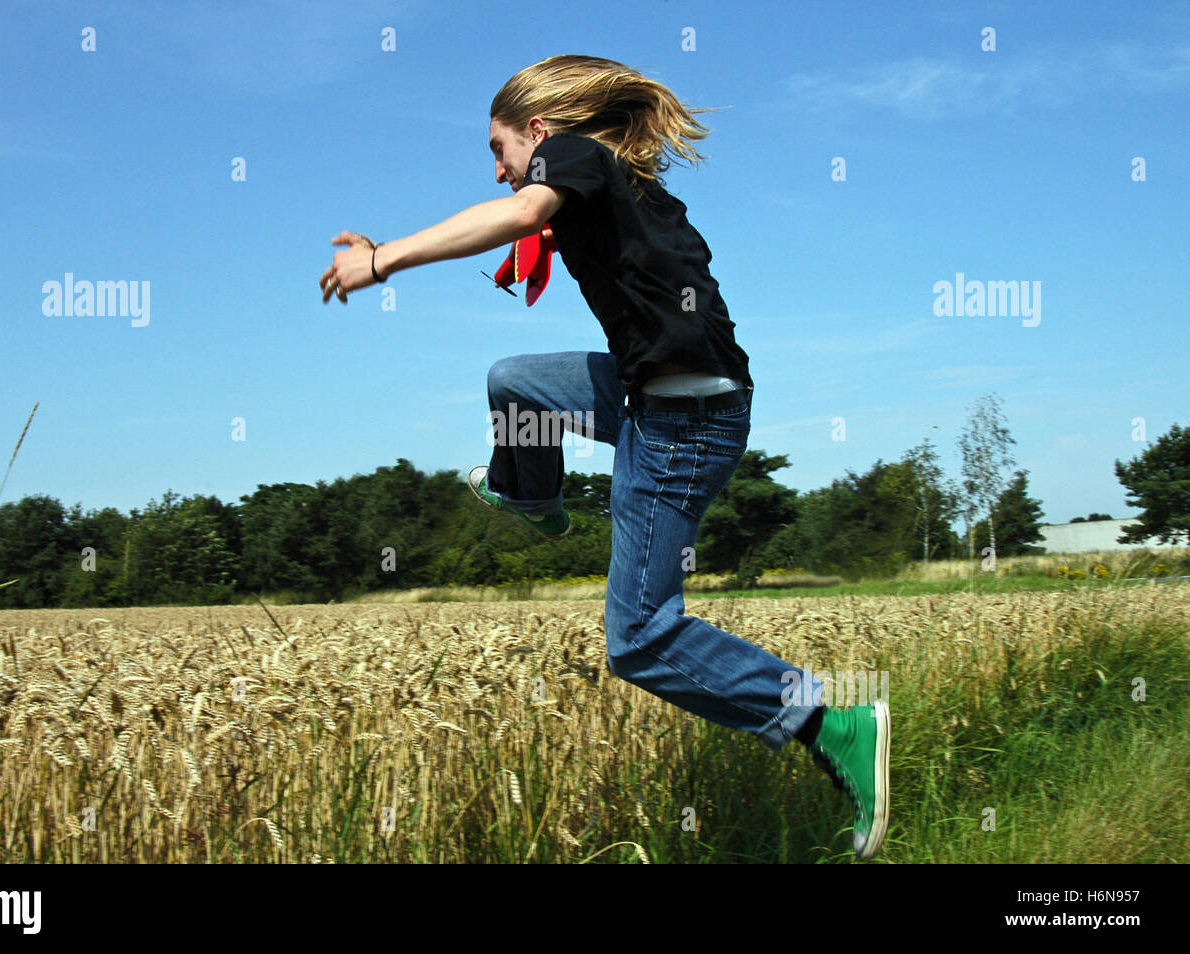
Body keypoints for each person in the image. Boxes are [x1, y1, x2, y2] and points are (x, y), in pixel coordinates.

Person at [319, 54, 890, 860]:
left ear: (539, 132)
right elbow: (554, 229)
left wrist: (382, 262)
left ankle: (829, 721)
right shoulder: (614, 179)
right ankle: (531, 497)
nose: (498, 167)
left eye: (500, 148)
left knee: (641, 640)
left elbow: (519, 213)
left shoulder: (570, 158)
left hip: (680, 423)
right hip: (666, 394)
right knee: (513, 380)